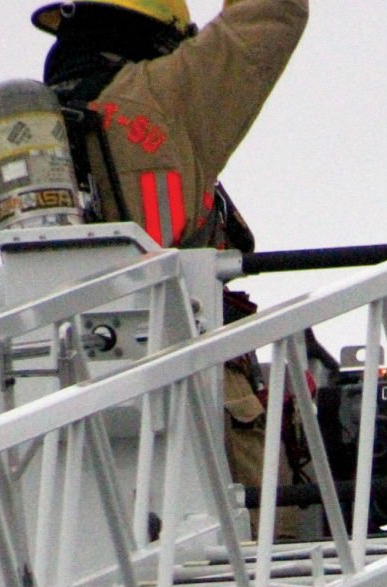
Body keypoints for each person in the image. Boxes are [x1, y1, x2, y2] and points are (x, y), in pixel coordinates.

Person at [34, 0, 310, 535]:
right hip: (198, 413)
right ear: (163, 35)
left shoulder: (34, 129)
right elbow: (274, 12)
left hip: (52, 413)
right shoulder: (167, 93)